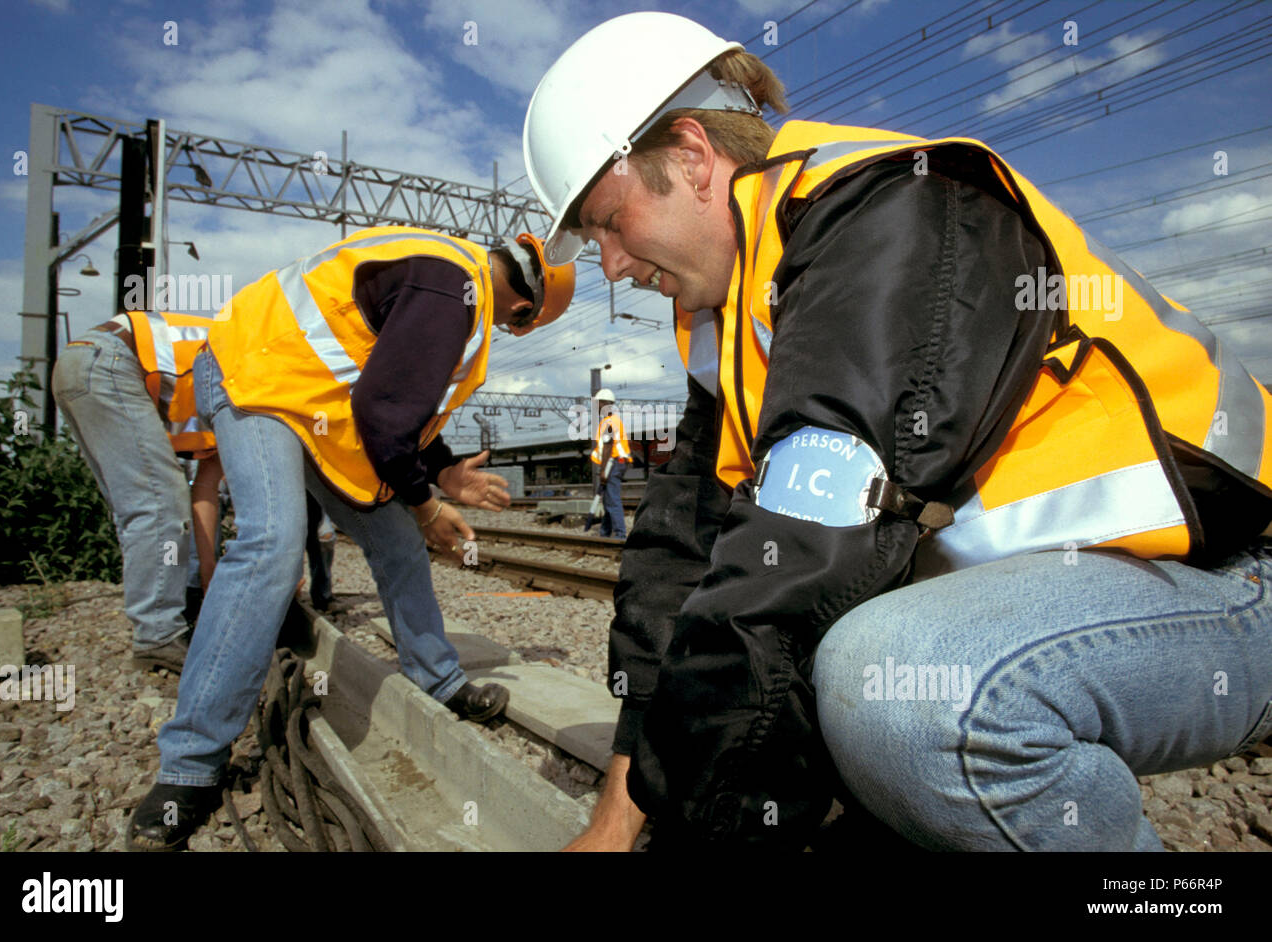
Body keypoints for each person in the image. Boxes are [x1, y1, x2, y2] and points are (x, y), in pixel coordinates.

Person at [527, 12, 1272, 850]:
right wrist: (616, 820)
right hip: (1068, 599)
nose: (614, 266)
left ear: (694, 157)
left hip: (1229, 577)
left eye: (608, 223)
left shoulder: (896, 210)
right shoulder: (724, 324)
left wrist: (700, 829)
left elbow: (805, 555)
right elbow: (681, 560)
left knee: (900, 691)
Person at [127, 226, 575, 851]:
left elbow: (395, 391)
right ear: (523, 311)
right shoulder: (454, 289)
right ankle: (189, 765)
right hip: (254, 373)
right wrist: (427, 506)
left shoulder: (448, 271)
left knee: (393, 541)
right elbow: (385, 412)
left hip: (310, 399)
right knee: (273, 545)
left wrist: (441, 471)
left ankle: (437, 678)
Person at [52, 310, 224, 673]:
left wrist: (207, 583)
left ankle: (163, 617)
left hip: (84, 360)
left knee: (142, 506)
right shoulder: (254, 393)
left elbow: (205, 494)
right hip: (110, 360)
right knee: (159, 504)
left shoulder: (241, 392)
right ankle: (159, 633)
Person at [588, 387, 631, 539]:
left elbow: (607, 447)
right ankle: (605, 533)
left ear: (605, 403)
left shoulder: (608, 422)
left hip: (612, 463)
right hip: (618, 462)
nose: (598, 407)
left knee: (612, 500)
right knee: (608, 499)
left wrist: (603, 471)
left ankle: (620, 535)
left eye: (599, 404)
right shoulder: (615, 421)